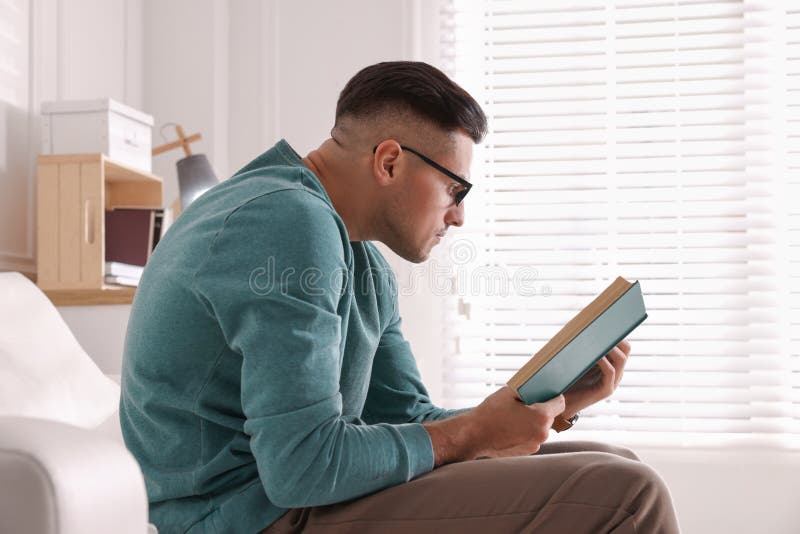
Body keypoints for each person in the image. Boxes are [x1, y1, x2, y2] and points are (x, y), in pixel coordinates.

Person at [120, 61, 680, 534]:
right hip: (246, 516)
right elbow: (300, 466)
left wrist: (555, 405)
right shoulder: (285, 220)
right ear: (389, 162)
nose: (459, 216)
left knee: (611, 462)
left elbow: (412, 419)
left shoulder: (358, 257)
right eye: (455, 190)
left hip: (289, 499)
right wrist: (474, 431)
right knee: (628, 494)